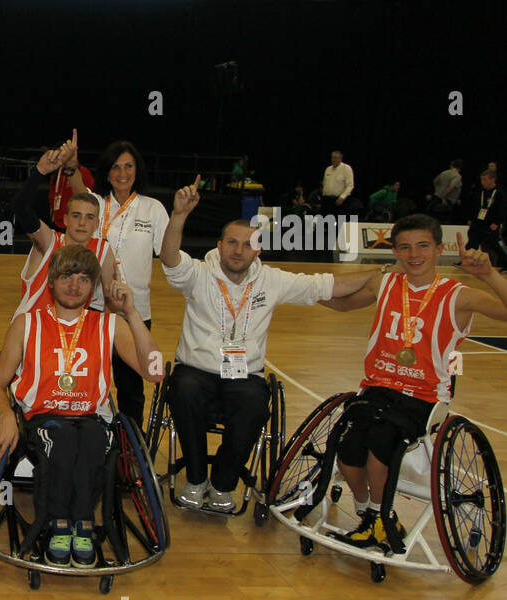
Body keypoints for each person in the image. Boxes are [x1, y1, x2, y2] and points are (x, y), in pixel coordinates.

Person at [161, 175, 373, 512]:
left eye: (247, 245)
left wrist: (382, 274)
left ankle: (222, 485)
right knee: (182, 391)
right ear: (219, 246)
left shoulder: (271, 280)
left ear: (258, 249)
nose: (238, 250)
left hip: (245, 374)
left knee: (254, 405)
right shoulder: (199, 274)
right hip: (196, 370)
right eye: (232, 243)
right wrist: (179, 216)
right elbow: (170, 258)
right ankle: (197, 478)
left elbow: (328, 285)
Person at [321, 214, 507, 548]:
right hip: (377, 387)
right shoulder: (386, 283)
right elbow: (343, 305)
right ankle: (370, 513)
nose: (413, 254)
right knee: (347, 446)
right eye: (404, 247)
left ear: (439, 249)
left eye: (423, 245)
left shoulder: (458, 295)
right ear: (395, 251)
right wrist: (293, 289)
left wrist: (490, 275)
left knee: (381, 442)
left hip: (423, 396)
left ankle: (380, 517)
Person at [0, 245, 161, 566]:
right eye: (67, 276)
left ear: (94, 287)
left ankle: (82, 524)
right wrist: (6, 415)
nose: (74, 285)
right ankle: (59, 524)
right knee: (63, 439)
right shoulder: (27, 324)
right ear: (52, 281)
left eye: (83, 279)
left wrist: (132, 314)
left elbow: (155, 371)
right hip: (42, 419)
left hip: (90, 419)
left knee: (95, 439)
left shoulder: (109, 324)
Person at [64, 139, 168, 430]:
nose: (122, 172)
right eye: (115, 167)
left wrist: (181, 217)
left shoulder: (153, 208)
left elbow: (169, 253)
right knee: (87, 380)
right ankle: (90, 440)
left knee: (131, 388)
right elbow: (77, 194)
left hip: (134, 311)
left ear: (137, 170)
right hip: (93, 310)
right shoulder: (96, 204)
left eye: (129, 166)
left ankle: (131, 451)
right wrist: (72, 165)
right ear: (106, 172)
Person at [11, 137, 119, 318]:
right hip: (31, 333)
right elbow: (21, 207)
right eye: (76, 216)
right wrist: (40, 171)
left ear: (97, 224)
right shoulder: (49, 241)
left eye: (89, 217)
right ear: (66, 219)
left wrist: (105, 337)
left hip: (68, 339)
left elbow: (111, 300)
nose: (83, 223)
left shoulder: (103, 250)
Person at [44, 129, 97, 233]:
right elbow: (52, 196)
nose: (61, 158)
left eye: (64, 154)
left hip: (74, 225)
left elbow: (92, 198)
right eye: (58, 155)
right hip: (57, 223)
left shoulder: (83, 172)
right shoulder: (56, 173)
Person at [467, 168, 502, 266]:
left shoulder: (499, 193)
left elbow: (502, 209)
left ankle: (503, 262)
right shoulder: (479, 191)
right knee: (472, 241)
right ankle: (467, 261)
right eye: (482, 180)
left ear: (493, 179)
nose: (483, 182)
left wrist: (497, 222)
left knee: (493, 244)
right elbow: (473, 205)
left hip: (491, 223)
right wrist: (471, 218)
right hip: (478, 221)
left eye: (485, 180)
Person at [321, 150, 356, 215]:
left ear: (340, 158)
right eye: (332, 157)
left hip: (339, 200)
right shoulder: (328, 169)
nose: (333, 159)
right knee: (326, 222)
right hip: (327, 200)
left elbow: (350, 185)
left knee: (339, 222)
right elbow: (324, 183)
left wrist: (342, 197)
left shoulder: (346, 168)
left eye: (335, 158)